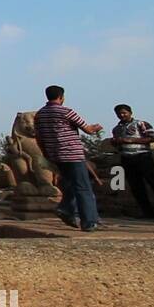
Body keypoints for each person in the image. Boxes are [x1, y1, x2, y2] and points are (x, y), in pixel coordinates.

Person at [33, 85, 104, 231]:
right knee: (83, 187)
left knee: (70, 185)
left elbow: (39, 137)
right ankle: (89, 221)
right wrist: (97, 128)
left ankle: (66, 209)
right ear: (61, 97)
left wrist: (47, 154)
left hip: (55, 155)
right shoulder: (66, 111)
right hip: (73, 154)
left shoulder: (40, 114)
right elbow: (88, 130)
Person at [111, 104, 154, 219]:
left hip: (143, 156)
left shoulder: (141, 123)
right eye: (119, 114)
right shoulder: (116, 129)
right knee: (136, 187)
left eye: (124, 113)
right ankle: (147, 212)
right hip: (127, 158)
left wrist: (131, 140)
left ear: (130, 112)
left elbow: (153, 138)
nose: (122, 115)